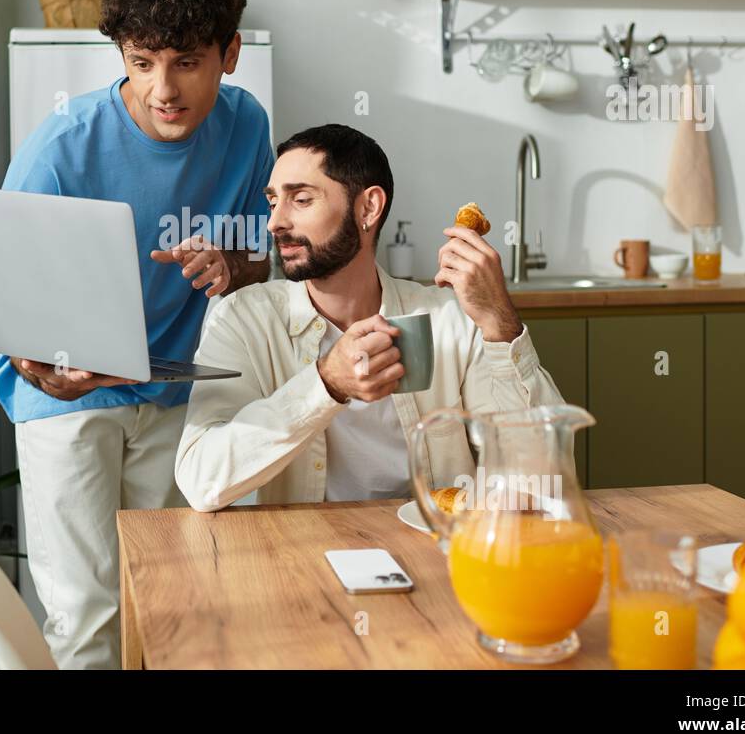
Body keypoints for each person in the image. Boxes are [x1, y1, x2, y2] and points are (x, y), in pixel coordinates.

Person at [0, 0, 273, 668]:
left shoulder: (247, 128)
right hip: (69, 396)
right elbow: (6, 300)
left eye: (186, 61)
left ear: (229, 54)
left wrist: (231, 263)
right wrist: (44, 365)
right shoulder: (60, 149)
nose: (162, 88)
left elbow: (267, 255)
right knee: (89, 619)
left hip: (177, 389)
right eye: (142, 62)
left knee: (174, 607)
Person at [175, 124, 564, 511]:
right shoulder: (244, 319)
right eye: (273, 201)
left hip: (433, 550)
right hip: (305, 556)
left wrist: (500, 324)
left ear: (368, 208)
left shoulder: (449, 319)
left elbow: (545, 481)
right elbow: (200, 481)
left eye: (302, 199)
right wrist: (325, 384)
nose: (275, 222)